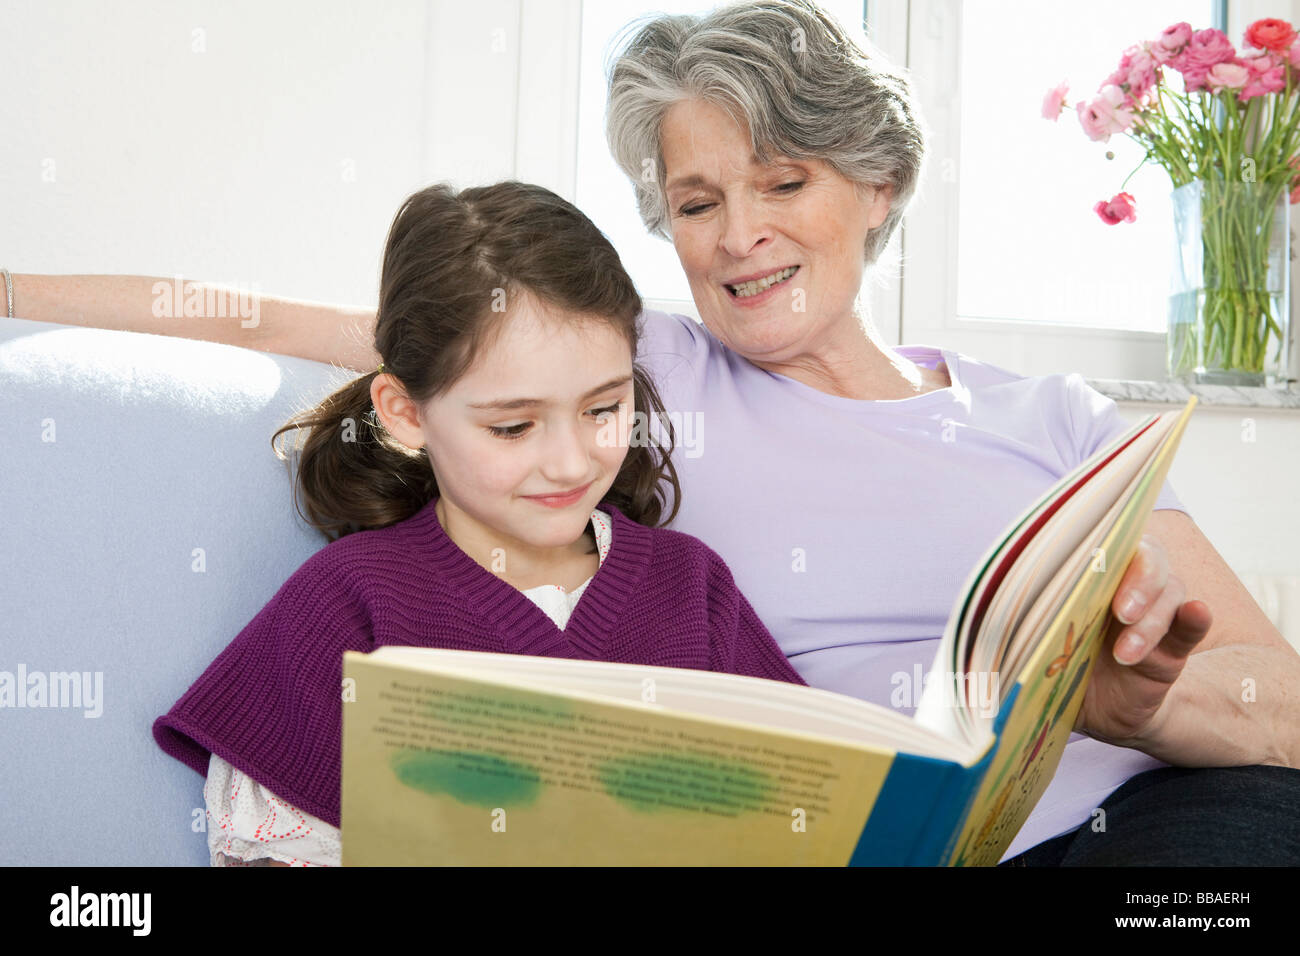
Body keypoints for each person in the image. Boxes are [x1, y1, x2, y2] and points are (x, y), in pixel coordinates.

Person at [9, 0, 1299, 865]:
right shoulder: (628, 369)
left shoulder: (1055, 416)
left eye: (783, 181)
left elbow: (1276, 705)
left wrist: (1139, 702)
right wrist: (13, 293)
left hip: (1161, 813)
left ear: (879, 185)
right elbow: (260, 322)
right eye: (695, 200)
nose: (737, 233)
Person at [150, 180, 808, 866]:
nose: (570, 462)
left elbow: (807, 809)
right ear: (406, 413)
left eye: (603, 410)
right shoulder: (351, 604)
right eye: (514, 426)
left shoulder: (689, 587)